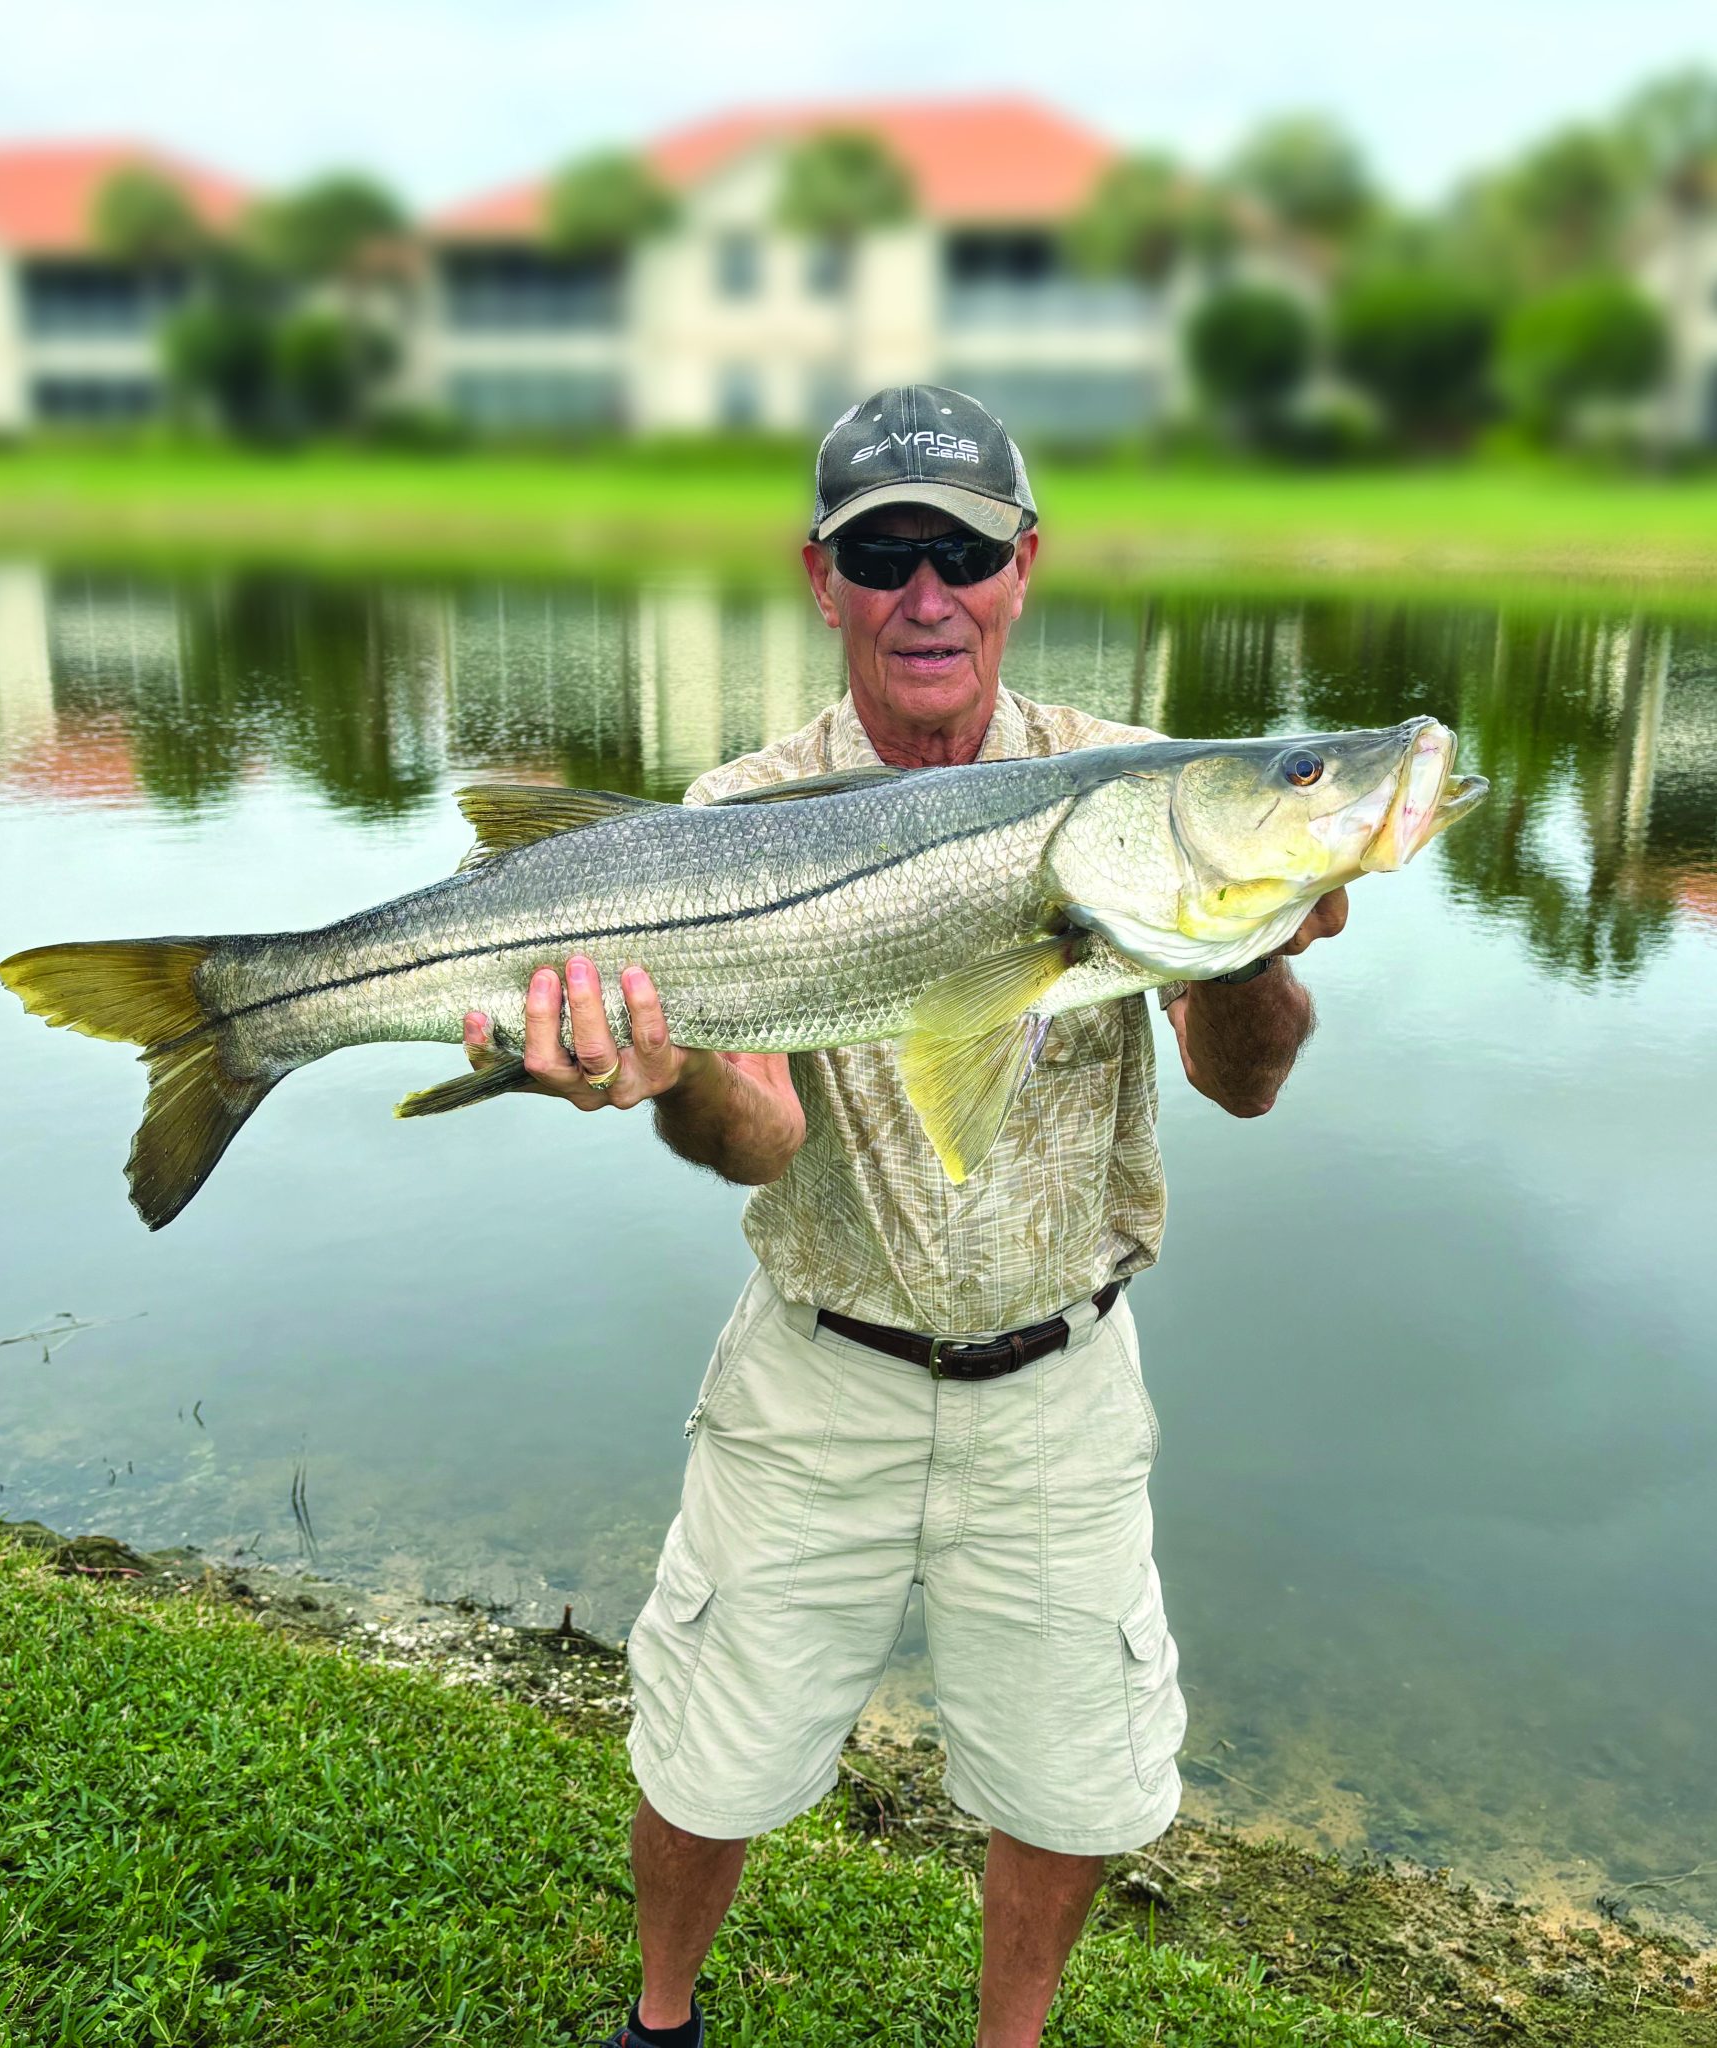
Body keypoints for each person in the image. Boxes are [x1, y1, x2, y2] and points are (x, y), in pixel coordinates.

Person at [460, 386, 1345, 2048]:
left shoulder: (1127, 788)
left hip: (1063, 1377)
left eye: (961, 550)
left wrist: (1257, 934)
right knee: (707, 1751)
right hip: (818, 1368)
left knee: (1074, 1784)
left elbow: (1245, 1083)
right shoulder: (734, 818)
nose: (925, 592)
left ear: (1025, 565)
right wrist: (661, 1075)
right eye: (885, 554)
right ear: (822, 577)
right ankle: (660, 2024)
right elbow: (758, 1135)